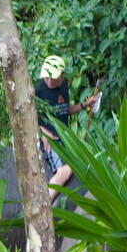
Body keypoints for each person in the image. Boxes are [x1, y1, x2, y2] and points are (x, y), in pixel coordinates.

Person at [35, 55, 97, 203]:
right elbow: (29, 119)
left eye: (53, 78)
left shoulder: (63, 87)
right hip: (51, 141)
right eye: (46, 77)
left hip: (65, 138)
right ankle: (43, 204)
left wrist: (84, 106)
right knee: (66, 170)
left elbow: (65, 109)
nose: (49, 81)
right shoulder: (38, 91)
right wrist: (44, 133)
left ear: (62, 75)